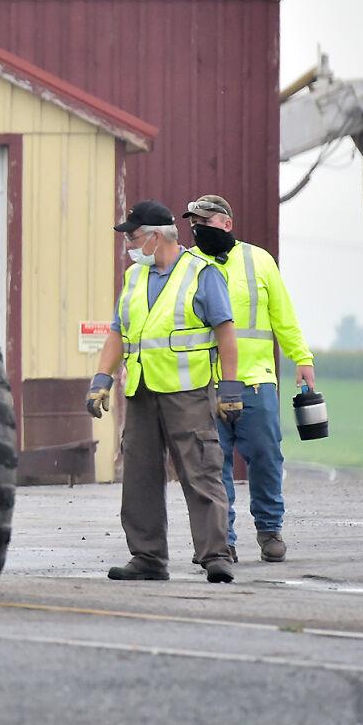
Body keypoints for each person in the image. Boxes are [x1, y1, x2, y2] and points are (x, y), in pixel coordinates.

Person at [86, 200, 240, 584]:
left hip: (186, 392)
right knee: (139, 476)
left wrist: (231, 387)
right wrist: (102, 379)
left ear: (156, 236)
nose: (130, 245)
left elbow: (225, 331)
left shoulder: (201, 274)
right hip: (140, 392)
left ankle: (215, 555)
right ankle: (148, 557)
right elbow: (119, 332)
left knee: (200, 471)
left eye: (134, 237)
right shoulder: (135, 278)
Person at [183, 194, 315, 563]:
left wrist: (301, 358)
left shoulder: (259, 261)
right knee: (213, 465)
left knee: (266, 458)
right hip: (204, 383)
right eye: (192, 223)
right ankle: (221, 539)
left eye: (204, 222)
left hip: (256, 381)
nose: (196, 230)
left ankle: (270, 531)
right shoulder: (186, 264)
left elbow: (283, 316)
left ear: (226, 223)